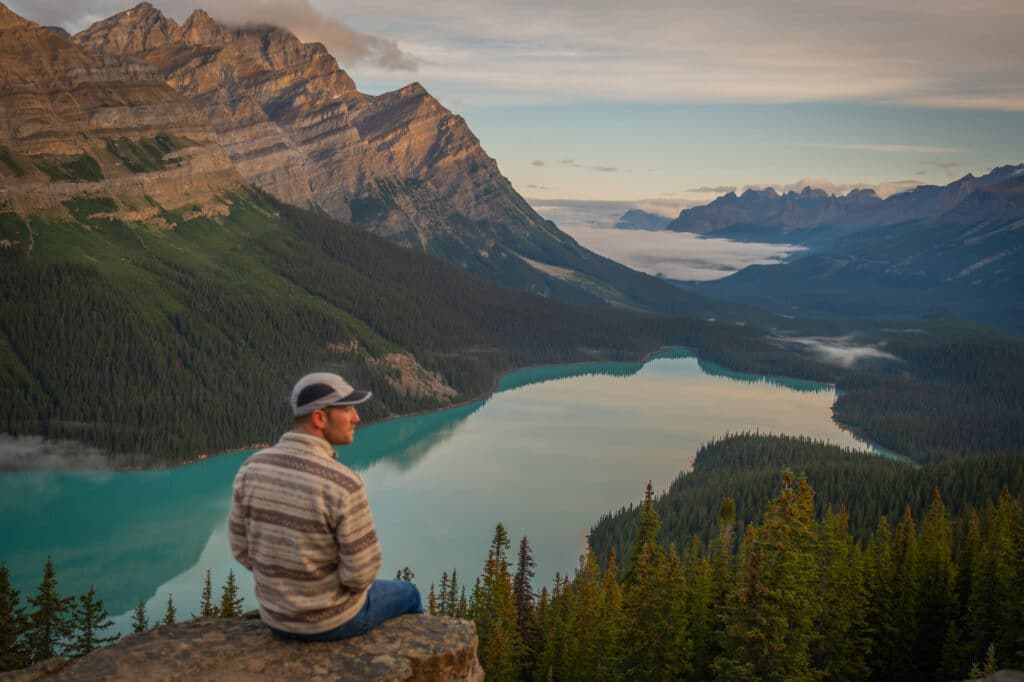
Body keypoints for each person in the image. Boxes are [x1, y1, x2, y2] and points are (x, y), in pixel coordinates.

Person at [228, 372, 423, 640]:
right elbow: (361, 574)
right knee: (409, 593)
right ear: (320, 418)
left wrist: (285, 584)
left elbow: (241, 549)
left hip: (276, 618)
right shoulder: (342, 483)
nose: (356, 418)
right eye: (348, 409)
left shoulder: (251, 468)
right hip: (332, 621)